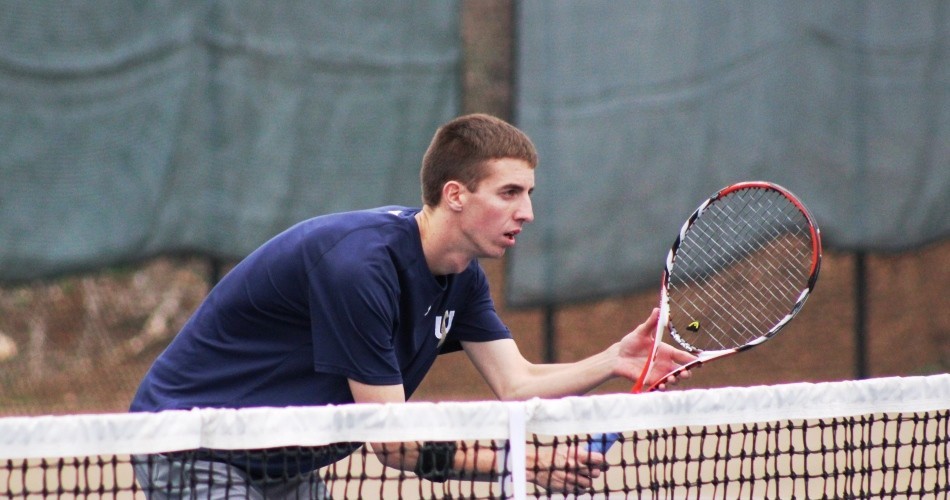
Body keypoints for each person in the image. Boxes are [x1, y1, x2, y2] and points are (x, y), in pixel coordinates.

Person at [130, 113, 695, 498]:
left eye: (528, 195)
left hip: (280, 454)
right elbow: (395, 442)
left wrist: (614, 361)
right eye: (509, 193)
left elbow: (517, 383)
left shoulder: (461, 277)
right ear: (455, 194)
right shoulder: (359, 270)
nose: (526, 213)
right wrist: (517, 463)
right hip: (193, 441)